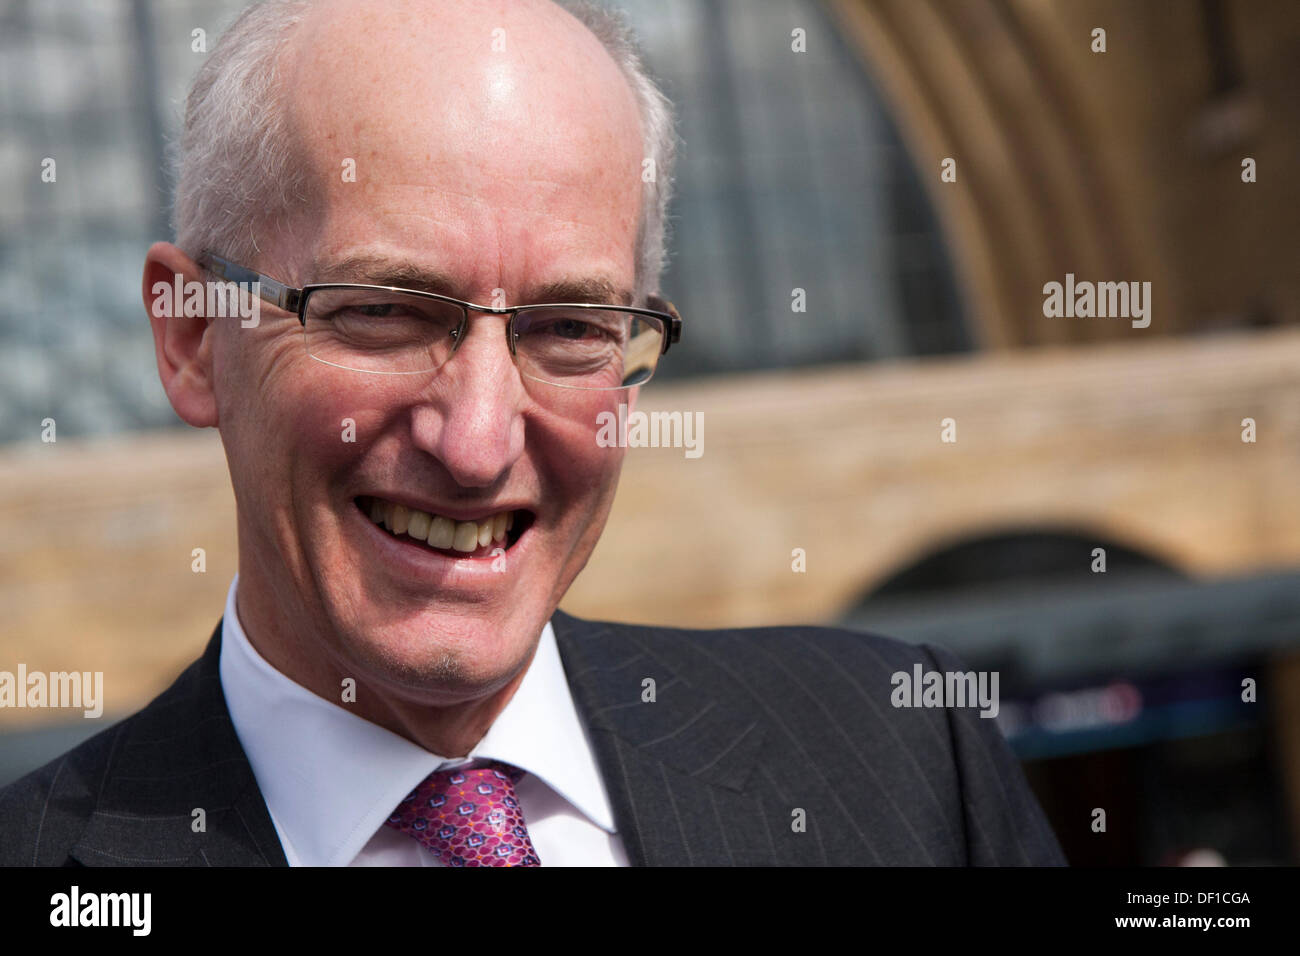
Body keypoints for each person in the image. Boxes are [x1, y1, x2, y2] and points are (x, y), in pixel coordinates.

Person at [0, 0, 1064, 866]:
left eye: (567, 327)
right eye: (383, 310)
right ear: (193, 339)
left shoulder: (901, 765)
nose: (474, 440)